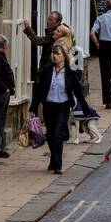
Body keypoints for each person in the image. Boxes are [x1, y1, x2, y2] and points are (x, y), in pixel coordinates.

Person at [30, 45, 90, 174]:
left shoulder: (69, 73)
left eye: (57, 54)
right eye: (53, 54)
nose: (55, 56)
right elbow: (39, 90)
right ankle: (53, 159)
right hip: (49, 106)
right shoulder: (47, 70)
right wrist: (33, 107)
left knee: (58, 133)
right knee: (51, 135)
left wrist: (85, 109)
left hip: (62, 106)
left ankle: (58, 165)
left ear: (64, 56)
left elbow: (78, 92)